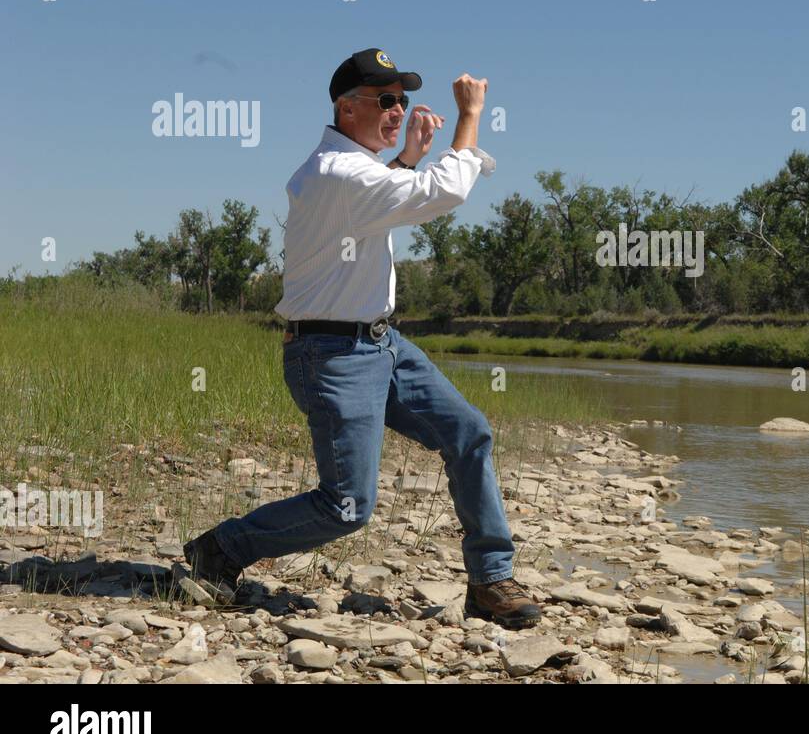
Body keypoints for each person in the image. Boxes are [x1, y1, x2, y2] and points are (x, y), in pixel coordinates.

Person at [182, 47, 540, 630]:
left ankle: (490, 579)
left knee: (469, 434)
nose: (400, 109)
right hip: (331, 356)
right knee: (347, 506)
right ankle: (220, 549)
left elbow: (379, 207)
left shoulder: (352, 173)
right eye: (387, 100)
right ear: (348, 109)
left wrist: (405, 160)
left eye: (403, 99)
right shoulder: (336, 172)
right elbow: (440, 195)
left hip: (383, 345)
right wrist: (470, 117)